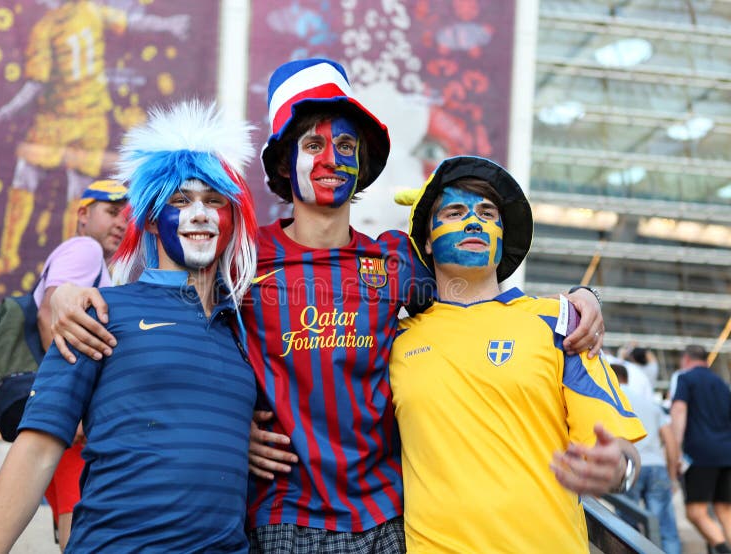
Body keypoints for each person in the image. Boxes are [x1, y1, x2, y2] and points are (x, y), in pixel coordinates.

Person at [46, 58, 606, 552]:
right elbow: (171, 316)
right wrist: (63, 293)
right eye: (313, 145)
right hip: (279, 517)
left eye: (345, 146)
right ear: (286, 163)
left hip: (387, 518)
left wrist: (580, 299)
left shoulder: (396, 260)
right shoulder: (240, 257)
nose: (331, 159)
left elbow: (478, 296)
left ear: (362, 163)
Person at [0, 98, 259, 552]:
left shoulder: (245, 328)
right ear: (148, 217)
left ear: (231, 217)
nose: (200, 213)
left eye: (214, 201)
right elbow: (37, 450)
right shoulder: (98, 311)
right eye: (180, 200)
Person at [388, 155, 645, 553]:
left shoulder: (562, 323)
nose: (474, 221)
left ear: (503, 233)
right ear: (425, 238)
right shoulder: (393, 340)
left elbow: (619, 448)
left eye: (488, 212)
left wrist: (619, 469)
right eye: (455, 211)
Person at [0, 0, 189, 285]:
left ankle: (29, 257)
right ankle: (50, 260)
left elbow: (36, 85)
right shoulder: (90, 11)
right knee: (70, 188)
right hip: (89, 118)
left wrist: (0, 114)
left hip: (62, 118)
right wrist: (169, 24)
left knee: (30, 179)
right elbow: (133, 22)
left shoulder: (46, 27)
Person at [35, 178, 128, 550]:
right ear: (83, 215)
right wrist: (67, 406)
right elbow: (50, 313)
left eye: (127, 216)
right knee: (77, 533)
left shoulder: (93, 258)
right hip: (73, 425)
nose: (122, 222)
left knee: (71, 535)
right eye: (112, 212)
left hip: (70, 425)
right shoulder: (84, 249)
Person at [611, 362, 682, 554]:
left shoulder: (611, 400)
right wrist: (673, 476)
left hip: (628, 467)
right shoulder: (650, 404)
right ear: (628, 377)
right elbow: (670, 440)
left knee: (627, 528)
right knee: (666, 529)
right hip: (657, 467)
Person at [671, 344, 731, 554]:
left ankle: (723, 550)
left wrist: (677, 451)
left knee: (695, 511)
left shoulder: (685, 378)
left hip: (700, 453)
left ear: (686, 359)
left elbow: (679, 410)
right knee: (724, 509)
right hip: (726, 453)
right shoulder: (722, 384)